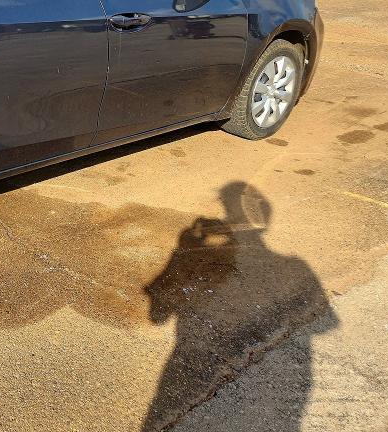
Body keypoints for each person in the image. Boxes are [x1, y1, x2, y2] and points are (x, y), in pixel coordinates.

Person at [142, 181, 336, 431]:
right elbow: (325, 323)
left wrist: (186, 249)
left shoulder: (292, 266)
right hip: (282, 393)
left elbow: (157, 315)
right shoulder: (295, 266)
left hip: (188, 362)